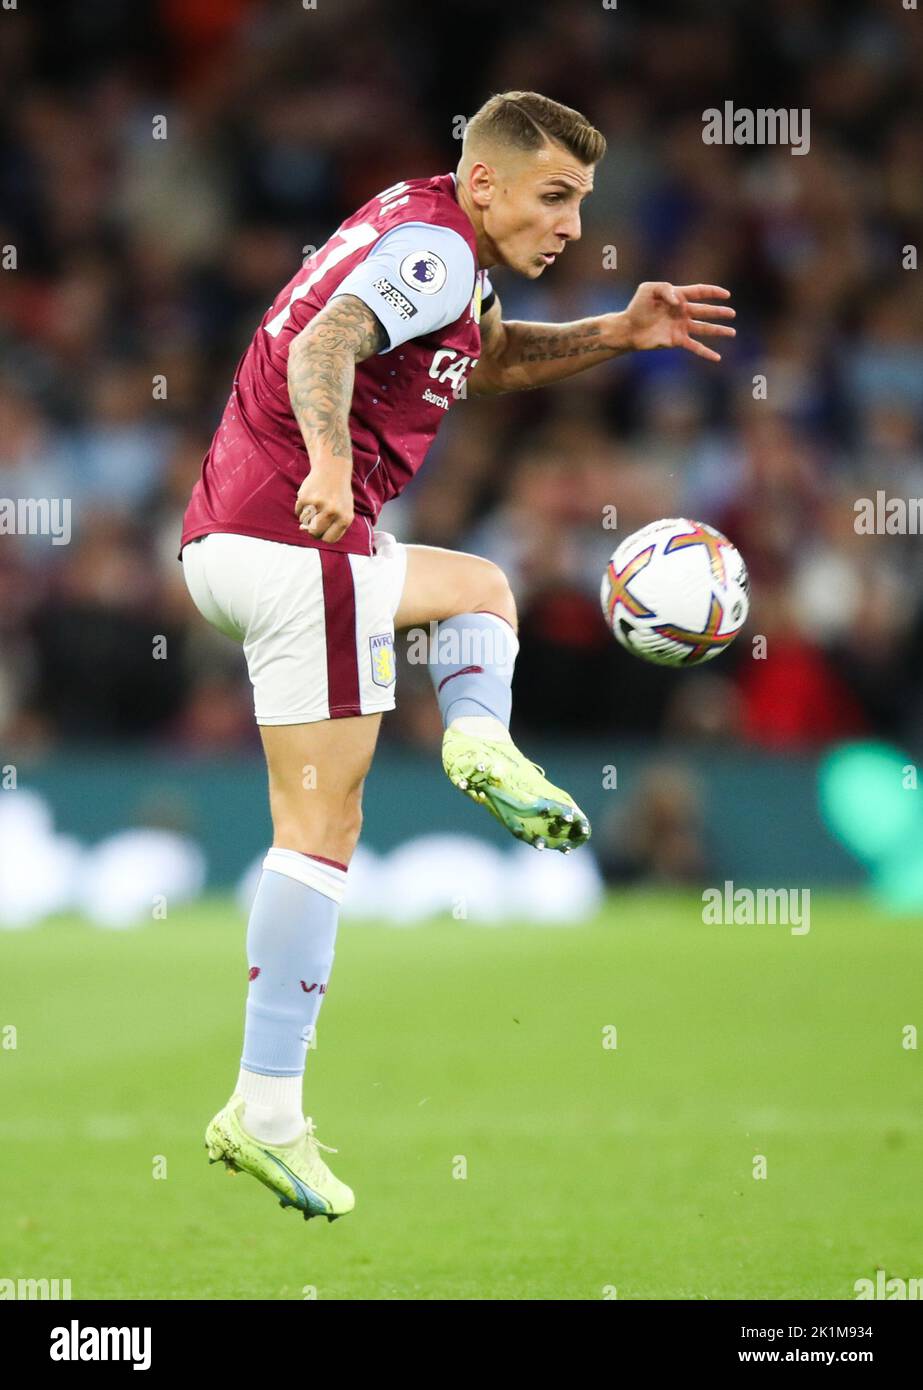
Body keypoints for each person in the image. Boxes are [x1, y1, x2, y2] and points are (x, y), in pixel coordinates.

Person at [180, 90, 735, 1222]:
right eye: (555, 195)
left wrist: (617, 333)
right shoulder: (435, 248)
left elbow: (475, 360)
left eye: (579, 198)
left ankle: (482, 739)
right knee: (320, 830)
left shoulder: (427, 233)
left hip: (241, 542)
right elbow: (331, 342)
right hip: (300, 540)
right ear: (487, 184)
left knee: (477, 587)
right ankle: (265, 1110)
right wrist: (331, 467)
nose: (573, 223)